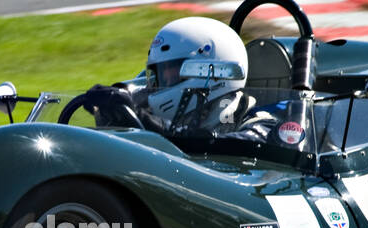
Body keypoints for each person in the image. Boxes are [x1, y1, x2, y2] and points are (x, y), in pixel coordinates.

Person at [80, 16, 295, 148]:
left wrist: (153, 127)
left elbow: (237, 146)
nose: (159, 86)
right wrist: (111, 113)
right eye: (158, 75)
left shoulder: (260, 120)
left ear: (210, 73)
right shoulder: (148, 108)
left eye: (171, 74)